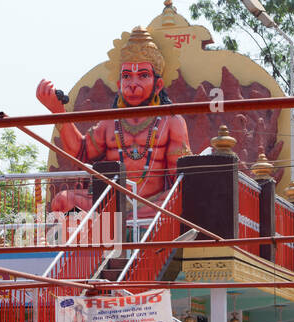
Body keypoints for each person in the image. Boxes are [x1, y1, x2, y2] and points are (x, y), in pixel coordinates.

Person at [37, 26, 191, 213]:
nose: (133, 84)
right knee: (63, 201)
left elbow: (180, 180)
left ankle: (130, 225)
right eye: (127, 76)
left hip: (153, 205)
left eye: (143, 75)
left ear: (158, 85)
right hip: (112, 206)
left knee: (179, 198)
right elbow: (81, 151)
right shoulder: (111, 123)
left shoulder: (172, 122)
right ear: (119, 84)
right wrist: (58, 111)